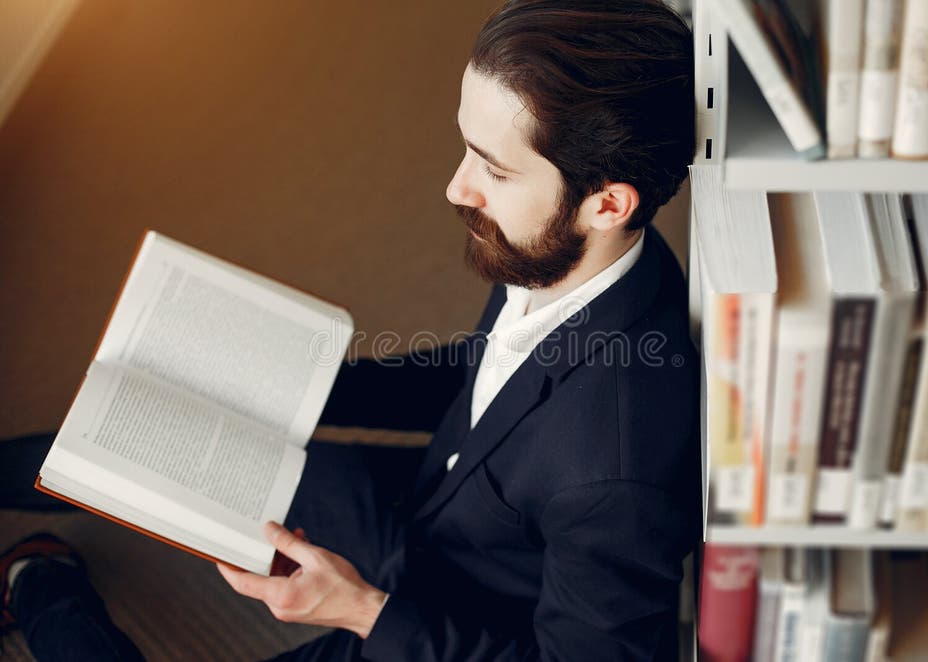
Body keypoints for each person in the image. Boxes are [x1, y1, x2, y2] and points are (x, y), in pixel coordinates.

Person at [0, 0, 699, 659]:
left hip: (446, 620)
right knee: (152, 434)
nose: (457, 188)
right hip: (440, 502)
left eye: (493, 169)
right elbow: (482, 377)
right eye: (467, 149)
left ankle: (38, 583)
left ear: (607, 204)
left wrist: (361, 610)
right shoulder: (574, 252)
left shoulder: (616, 471)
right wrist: (298, 388)